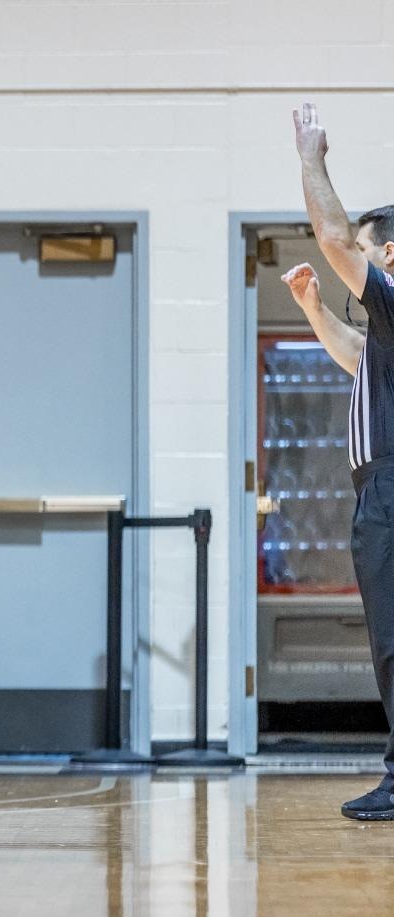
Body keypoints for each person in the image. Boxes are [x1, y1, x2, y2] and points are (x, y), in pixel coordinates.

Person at [290, 100, 394, 820]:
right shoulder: (384, 333)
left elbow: (331, 235)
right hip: (380, 490)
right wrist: (311, 308)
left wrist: (310, 156)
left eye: (369, 250)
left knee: (393, 645)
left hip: (391, 489)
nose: (359, 260)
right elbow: (355, 357)